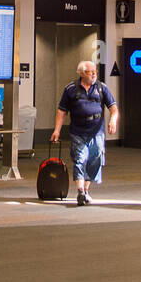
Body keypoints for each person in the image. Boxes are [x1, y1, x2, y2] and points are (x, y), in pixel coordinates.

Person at [51, 60, 118, 206]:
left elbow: (113, 108)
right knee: (80, 159)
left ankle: (86, 190)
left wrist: (113, 121)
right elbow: (62, 111)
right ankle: (80, 191)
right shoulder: (70, 89)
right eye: (90, 71)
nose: (94, 74)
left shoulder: (101, 88)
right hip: (78, 131)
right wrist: (57, 130)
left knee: (96, 159)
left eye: (95, 71)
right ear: (81, 73)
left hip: (97, 131)